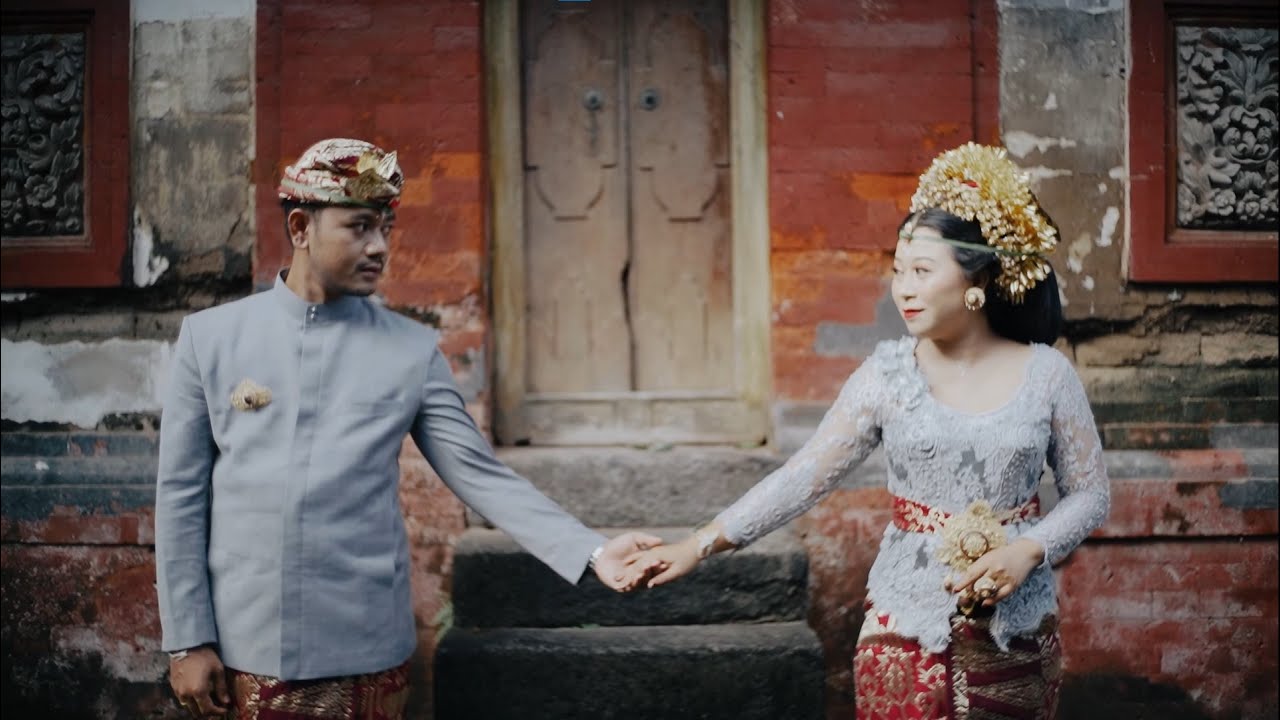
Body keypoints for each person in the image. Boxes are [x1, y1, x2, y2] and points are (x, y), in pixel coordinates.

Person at [155, 138, 662, 719]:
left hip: (366, 646)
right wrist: (188, 639)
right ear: (300, 227)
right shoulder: (211, 339)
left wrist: (593, 551)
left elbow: (482, 477)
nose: (380, 247)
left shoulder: (412, 351)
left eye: (386, 229)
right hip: (246, 642)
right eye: (360, 227)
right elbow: (180, 496)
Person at [627, 143, 1110, 718]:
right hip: (901, 628)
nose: (902, 288)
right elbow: (803, 477)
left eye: (922, 272)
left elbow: (1091, 494)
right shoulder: (886, 374)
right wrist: (697, 544)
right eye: (898, 272)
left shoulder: (1047, 375)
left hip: (1017, 633)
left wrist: (1029, 549)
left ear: (977, 277)